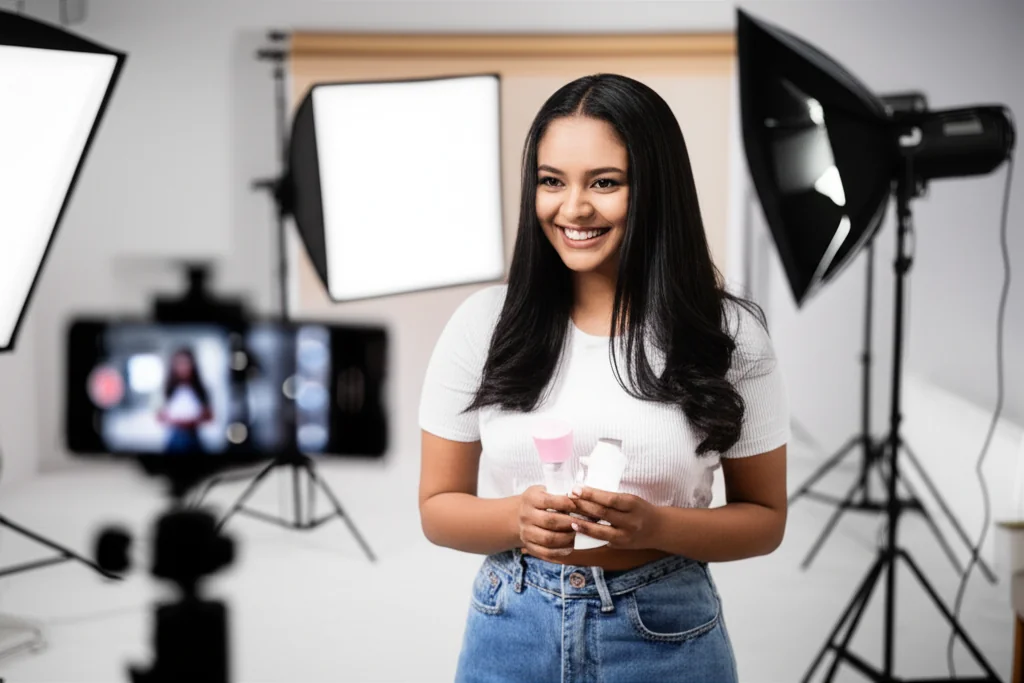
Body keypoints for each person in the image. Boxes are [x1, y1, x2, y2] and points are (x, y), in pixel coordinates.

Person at [418, 73, 789, 683]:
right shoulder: (484, 323)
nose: (574, 208)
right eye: (551, 182)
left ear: (655, 189)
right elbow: (438, 508)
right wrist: (517, 518)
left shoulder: (727, 334)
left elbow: (765, 519)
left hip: (665, 631)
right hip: (512, 624)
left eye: (605, 183)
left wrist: (659, 525)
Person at [156, 347, 213, 453]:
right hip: (174, 437)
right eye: (179, 363)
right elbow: (159, 416)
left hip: (194, 437)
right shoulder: (167, 389)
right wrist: (172, 419)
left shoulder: (200, 389)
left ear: (193, 364)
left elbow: (210, 416)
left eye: (186, 363)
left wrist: (194, 420)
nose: (183, 367)